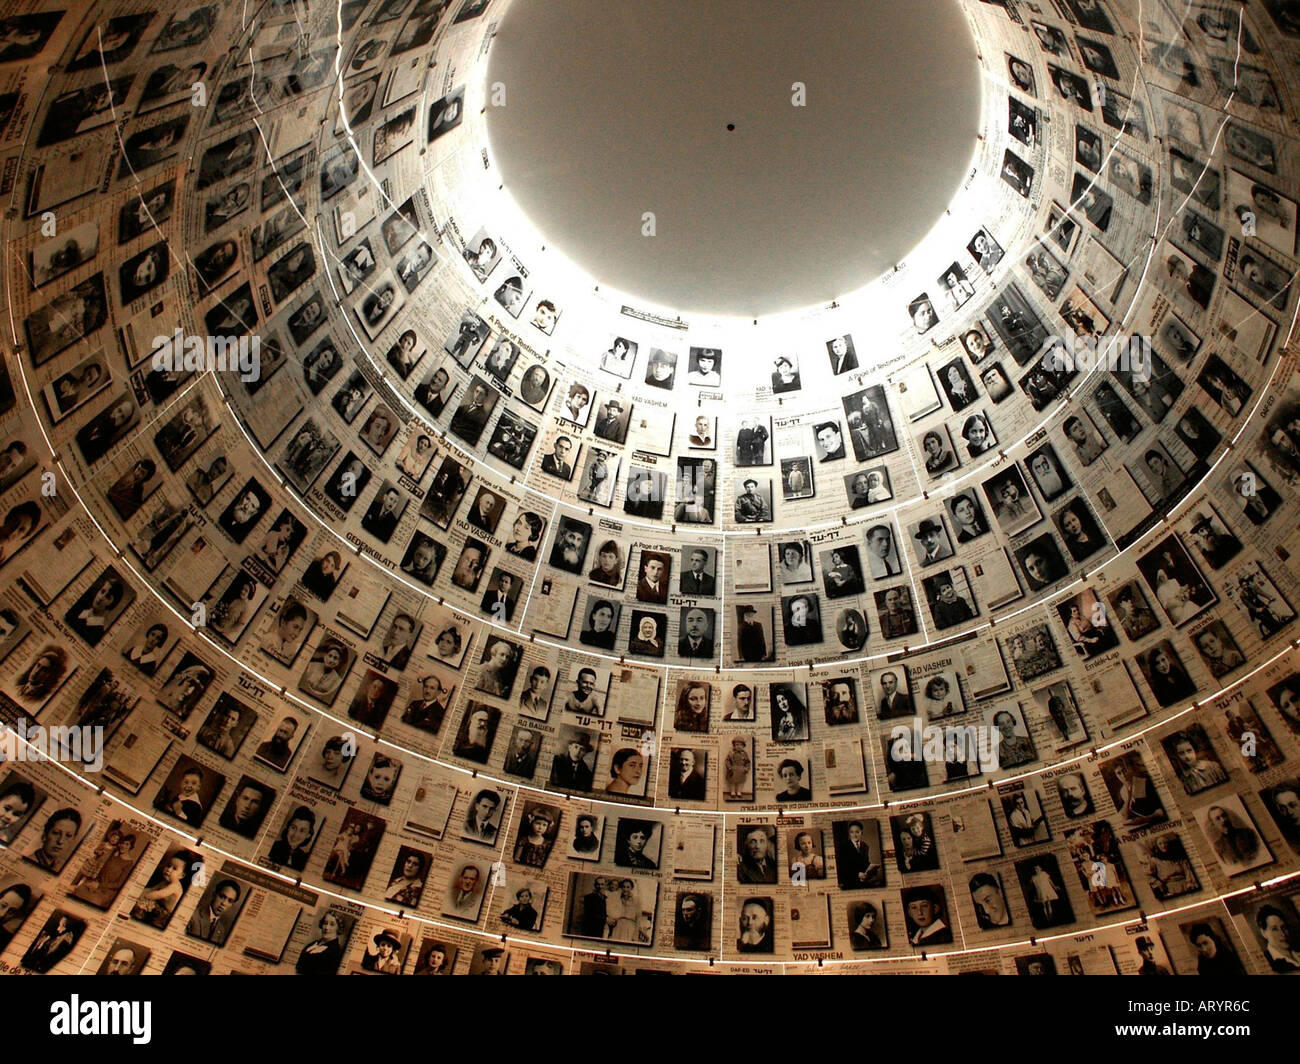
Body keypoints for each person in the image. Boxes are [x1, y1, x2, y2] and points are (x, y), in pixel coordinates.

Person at [187, 879, 241, 944]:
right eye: (222, 896)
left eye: (230, 901)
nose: (224, 903)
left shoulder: (221, 929)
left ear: (232, 905)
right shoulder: (193, 915)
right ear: (214, 894)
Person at [1256, 905, 1300, 972]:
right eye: (1274, 929)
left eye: (1283, 928)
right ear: (1264, 933)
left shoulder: (1298, 951)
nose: (1282, 934)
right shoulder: (1266, 962)